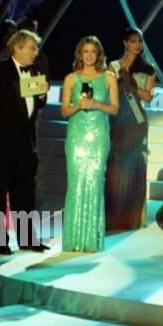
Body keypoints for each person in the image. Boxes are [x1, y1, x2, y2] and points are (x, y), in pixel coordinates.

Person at [0, 28, 49, 253]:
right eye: (32, 48)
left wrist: (41, 98)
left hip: (26, 145)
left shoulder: (34, 71)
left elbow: (31, 106)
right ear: (17, 48)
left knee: (25, 194)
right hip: (2, 144)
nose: (36, 52)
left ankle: (27, 239)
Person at [61, 36, 118, 252]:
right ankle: (73, 240)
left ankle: (91, 240)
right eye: (85, 51)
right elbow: (64, 111)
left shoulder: (109, 77)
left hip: (99, 135)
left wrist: (96, 104)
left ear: (99, 54)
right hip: (76, 135)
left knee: (95, 182)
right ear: (79, 54)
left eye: (93, 51)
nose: (89, 56)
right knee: (75, 183)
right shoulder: (71, 79)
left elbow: (115, 109)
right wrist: (78, 105)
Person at [105, 27, 154, 231]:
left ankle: (132, 216)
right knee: (116, 164)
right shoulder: (114, 66)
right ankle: (113, 215)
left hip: (137, 120)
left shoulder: (148, 68)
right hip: (118, 118)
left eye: (140, 42)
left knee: (134, 164)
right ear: (125, 43)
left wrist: (132, 85)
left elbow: (149, 96)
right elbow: (108, 90)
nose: (137, 45)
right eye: (133, 41)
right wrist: (119, 81)